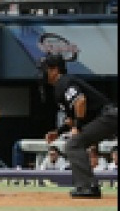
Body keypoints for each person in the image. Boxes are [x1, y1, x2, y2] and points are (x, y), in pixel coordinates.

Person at [40, 53, 118, 199]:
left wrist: (79, 126)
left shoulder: (63, 81)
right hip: (108, 117)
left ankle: (87, 187)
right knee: (75, 143)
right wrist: (59, 131)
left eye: (46, 69)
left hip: (108, 116)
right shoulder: (61, 84)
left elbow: (80, 101)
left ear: (55, 70)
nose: (43, 73)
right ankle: (89, 186)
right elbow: (72, 117)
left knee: (74, 144)